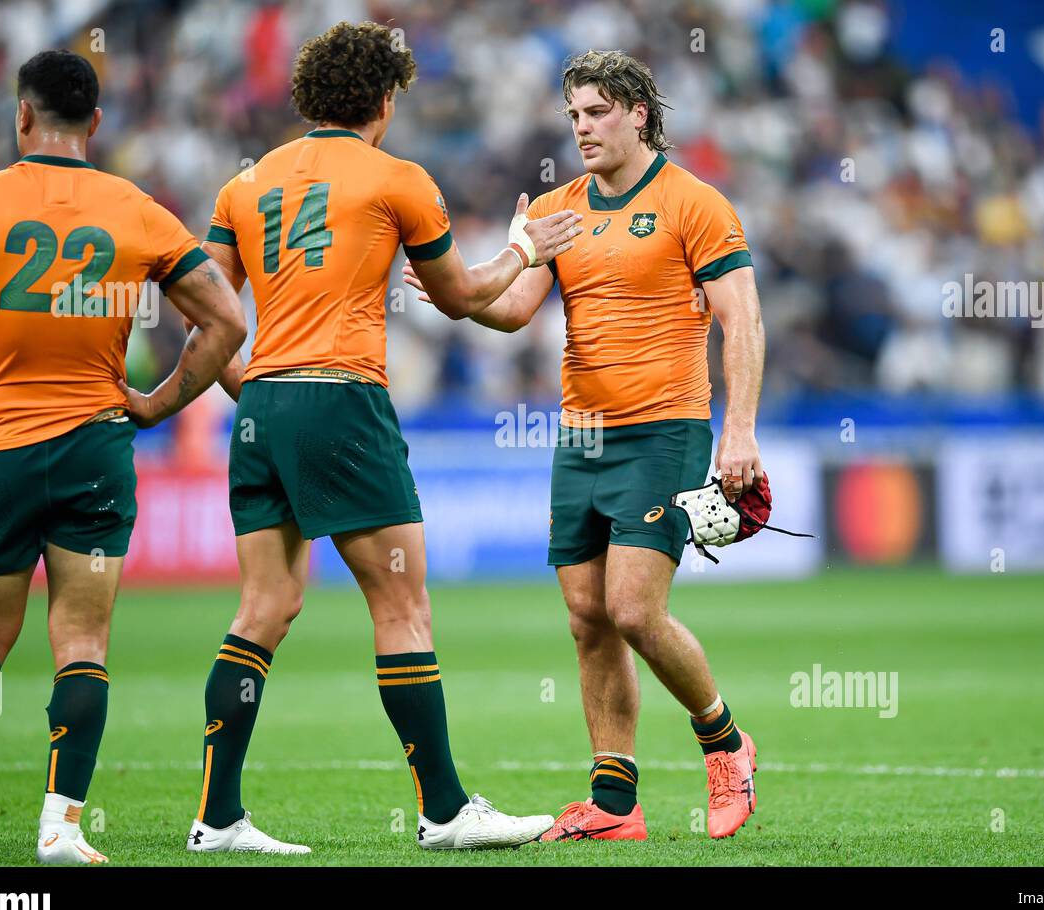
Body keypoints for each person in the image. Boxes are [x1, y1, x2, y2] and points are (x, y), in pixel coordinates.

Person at [188, 21, 582, 853]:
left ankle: (216, 816)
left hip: (260, 408)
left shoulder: (245, 183)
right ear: (386, 97)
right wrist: (521, 250)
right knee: (402, 607)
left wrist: (250, 395)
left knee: (264, 607)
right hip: (342, 400)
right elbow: (465, 295)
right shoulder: (396, 178)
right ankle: (444, 808)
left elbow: (210, 318)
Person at [405, 49, 766, 841]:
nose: (582, 128)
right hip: (582, 437)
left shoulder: (692, 202)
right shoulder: (562, 207)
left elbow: (742, 318)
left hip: (665, 432)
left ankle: (726, 743)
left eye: (597, 111)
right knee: (585, 617)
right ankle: (614, 804)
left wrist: (738, 430)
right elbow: (509, 312)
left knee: (634, 609)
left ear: (638, 113)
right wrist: (484, 267)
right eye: (573, 115)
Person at [0, 50, 245, 864]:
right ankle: (60, 827)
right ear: (96, 123)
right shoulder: (138, 209)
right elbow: (226, 322)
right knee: (82, 641)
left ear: (21, 116)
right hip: (95, 444)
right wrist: (158, 404)